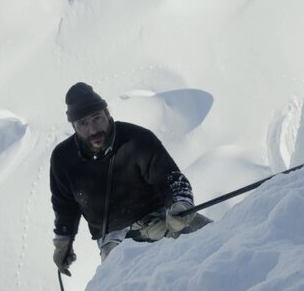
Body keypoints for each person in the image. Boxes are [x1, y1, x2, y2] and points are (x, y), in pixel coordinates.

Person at [50, 82, 211, 275]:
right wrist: (63, 243)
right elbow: (64, 206)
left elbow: (172, 180)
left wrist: (181, 206)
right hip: (115, 241)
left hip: (163, 220)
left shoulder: (137, 139)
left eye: (97, 118)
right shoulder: (62, 159)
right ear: (74, 127)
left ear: (107, 114)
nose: (93, 130)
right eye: (83, 124)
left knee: (217, 239)